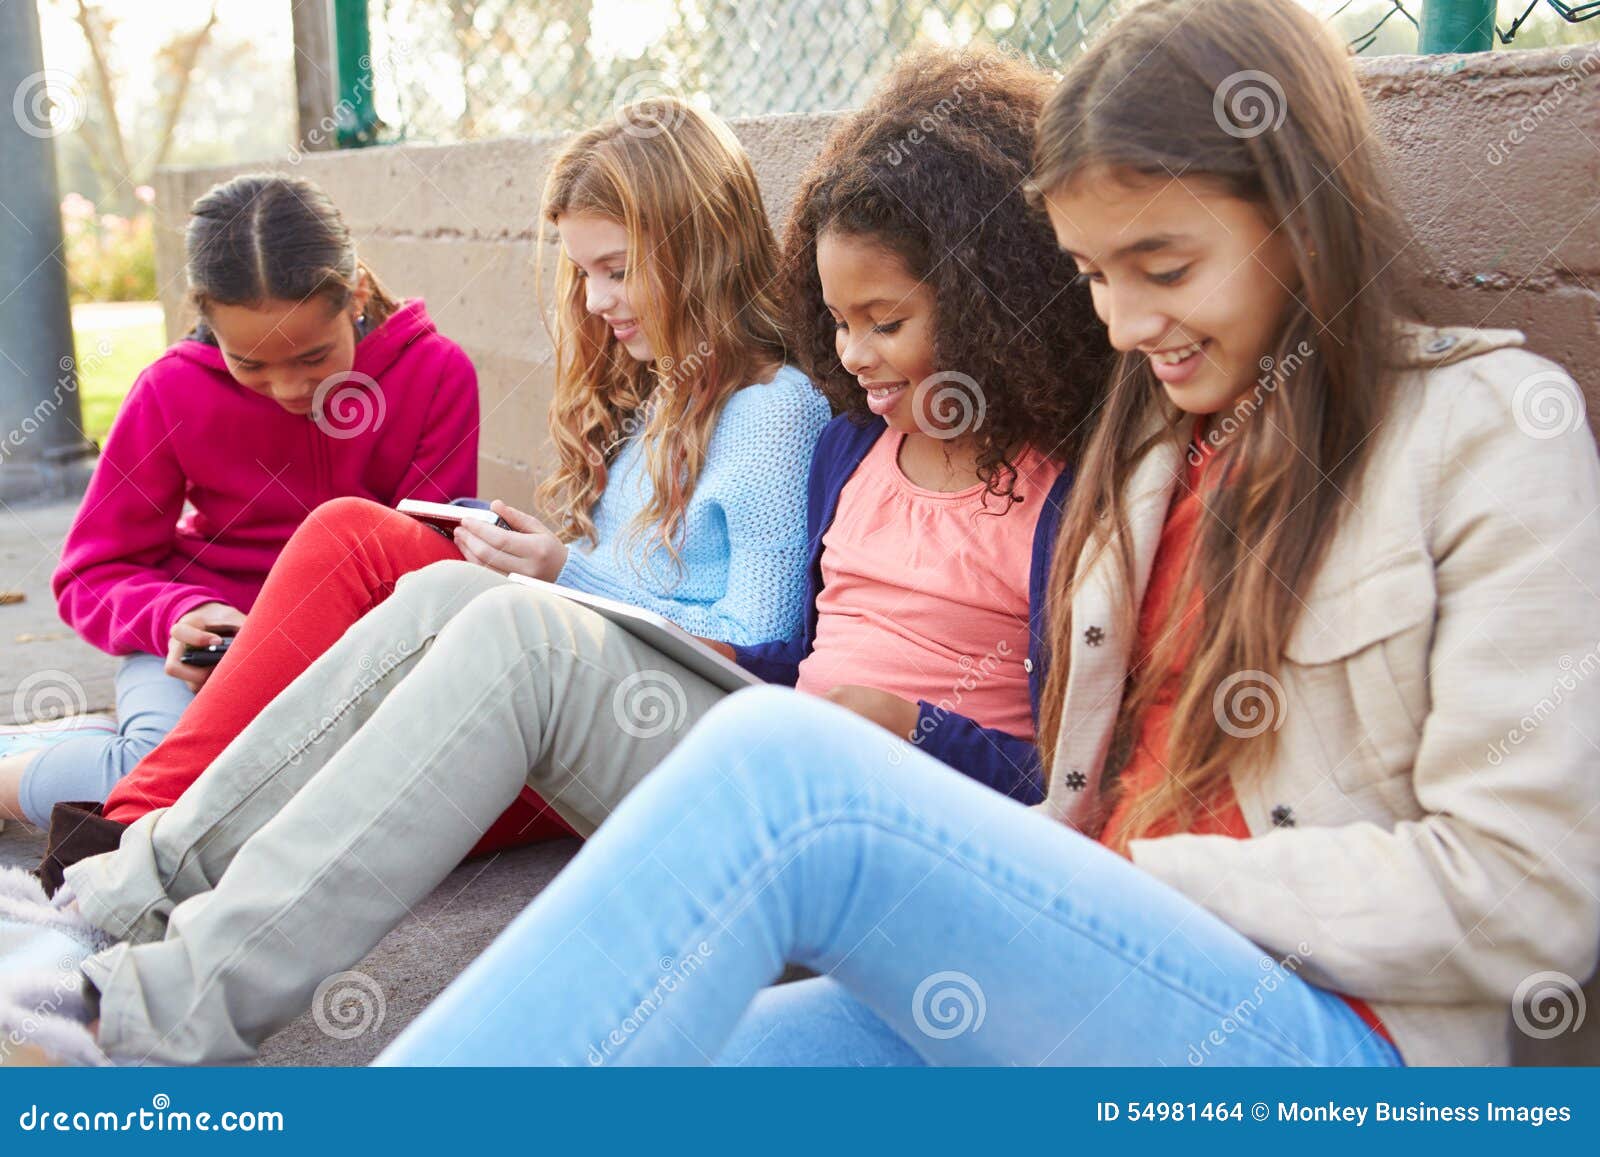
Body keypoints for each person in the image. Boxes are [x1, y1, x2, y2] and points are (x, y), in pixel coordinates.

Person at [377, 0, 1600, 1068]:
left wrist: (1122, 883)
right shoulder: (1144, 449)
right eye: (1093, 275)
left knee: (780, 770)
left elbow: (1534, 893)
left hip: (1331, 1041)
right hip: (1077, 984)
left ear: (1301, 210)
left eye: (1162, 266)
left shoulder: (1488, 435)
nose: (1123, 322)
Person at [1, 174, 479, 830]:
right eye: (249, 363)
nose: (286, 386)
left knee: (322, 794)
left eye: (313, 356)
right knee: (161, 789)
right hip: (200, 653)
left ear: (356, 294)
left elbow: (428, 565)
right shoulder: (170, 393)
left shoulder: (436, 374)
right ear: (207, 321)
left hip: (353, 656)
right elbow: (92, 572)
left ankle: (75, 749)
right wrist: (178, 614)